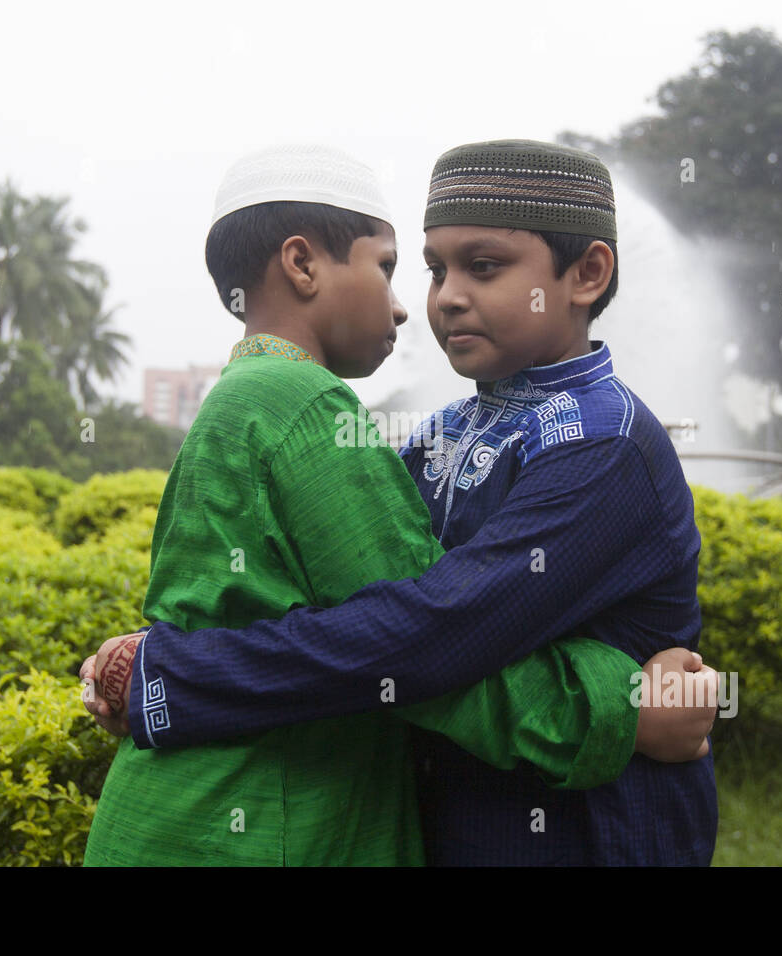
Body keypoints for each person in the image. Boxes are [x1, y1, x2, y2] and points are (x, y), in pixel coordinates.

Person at [82, 142, 717, 866]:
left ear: (588, 274)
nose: (443, 297)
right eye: (433, 269)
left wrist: (176, 674)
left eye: (483, 267)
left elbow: (429, 635)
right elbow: (365, 620)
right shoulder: (437, 436)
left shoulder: (605, 445)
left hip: (584, 829)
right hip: (464, 816)